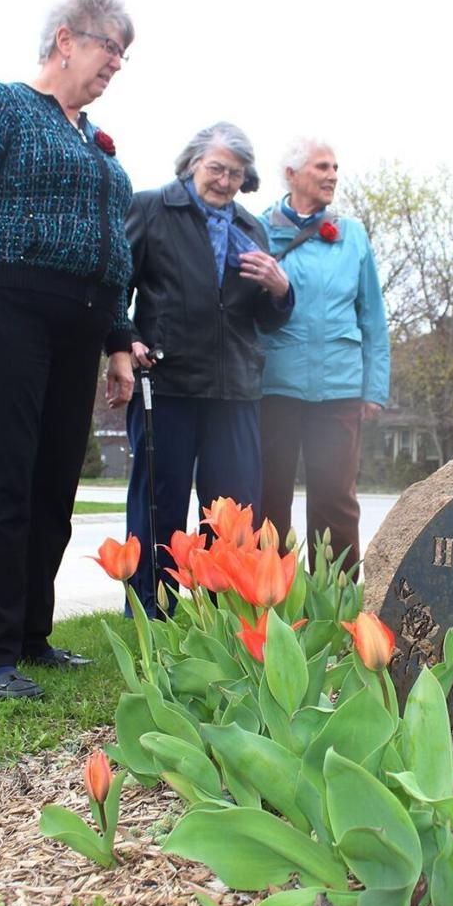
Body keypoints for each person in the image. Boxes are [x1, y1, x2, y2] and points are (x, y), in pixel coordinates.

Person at [0, 0, 137, 700]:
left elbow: (113, 250)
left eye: (124, 54)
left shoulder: (94, 139)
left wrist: (118, 342)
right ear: (66, 40)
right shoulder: (4, 106)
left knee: (53, 489)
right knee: (4, 483)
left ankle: (29, 638)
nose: (117, 62)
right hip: (8, 312)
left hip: (82, 324)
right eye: (111, 46)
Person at [122, 122, 293, 609]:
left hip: (235, 390)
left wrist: (280, 290)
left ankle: (228, 618)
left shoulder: (251, 228)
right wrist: (127, 339)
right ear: (193, 163)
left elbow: (267, 319)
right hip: (166, 381)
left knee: (233, 512)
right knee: (159, 504)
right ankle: (152, 612)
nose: (224, 181)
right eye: (216, 168)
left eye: (235, 174)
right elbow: (117, 284)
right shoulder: (151, 209)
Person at [258, 138, 389, 574]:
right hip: (274, 385)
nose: (333, 175)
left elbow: (372, 317)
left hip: (340, 388)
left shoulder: (353, 235)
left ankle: (337, 601)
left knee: (335, 500)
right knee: (268, 498)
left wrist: (374, 388)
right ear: (292, 175)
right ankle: (270, 599)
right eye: (322, 167)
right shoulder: (257, 229)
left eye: (335, 167)